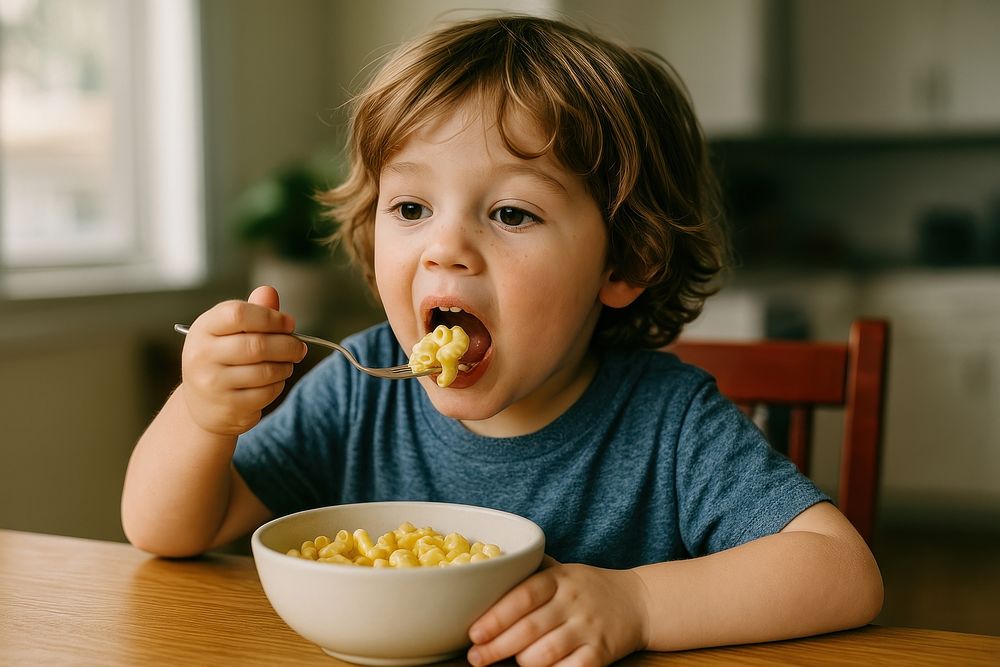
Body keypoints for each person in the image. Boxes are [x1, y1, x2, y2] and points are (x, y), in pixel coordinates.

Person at [121, 14, 882, 666]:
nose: (444, 248)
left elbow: (842, 571)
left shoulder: (668, 422)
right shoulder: (357, 389)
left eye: (512, 214)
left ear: (626, 261)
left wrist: (638, 603)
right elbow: (165, 530)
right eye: (412, 205)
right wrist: (201, 413)